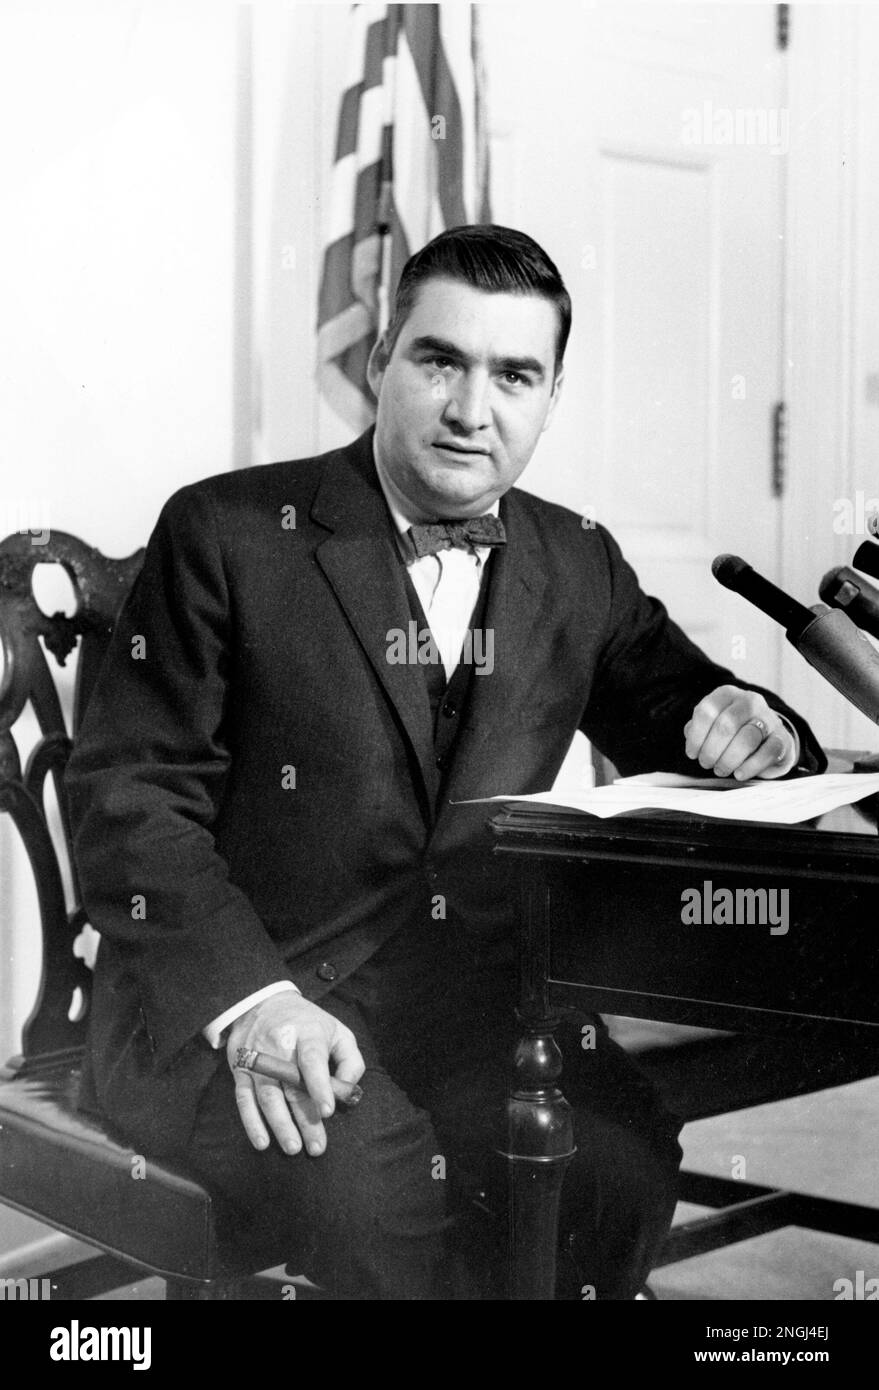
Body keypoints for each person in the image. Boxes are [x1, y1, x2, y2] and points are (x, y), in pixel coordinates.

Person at [65, 224, 825, 1300]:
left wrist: (752, 723)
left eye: (515, 374)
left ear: (552, 397)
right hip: (239, 1002)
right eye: (440, 361)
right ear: (380, 362)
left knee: (613, 1172)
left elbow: (691, 706)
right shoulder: (227, 532)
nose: (474, 410)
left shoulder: (578, 561)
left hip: (469, 1012)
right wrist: (258, 1007)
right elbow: (126, 806)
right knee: (377, 1198)